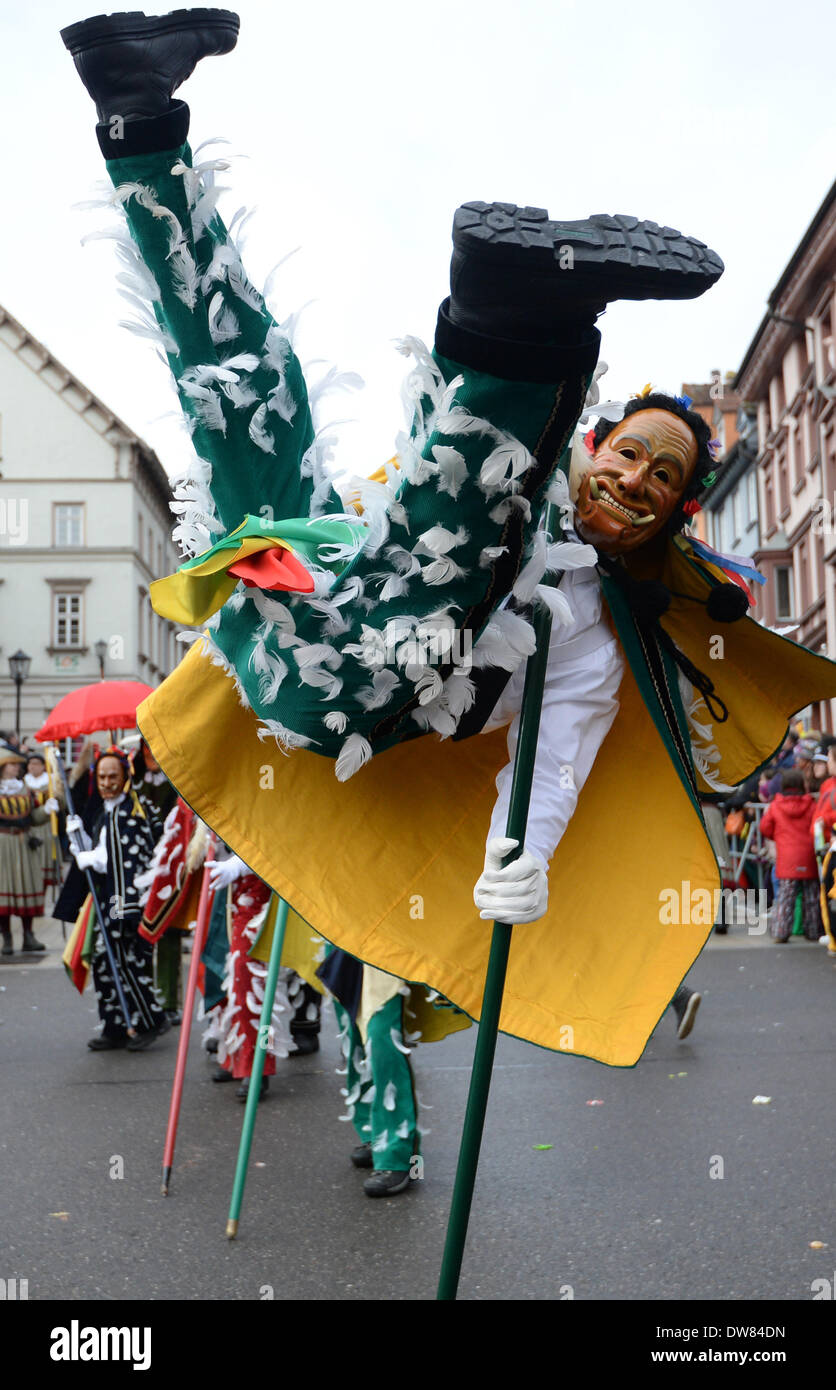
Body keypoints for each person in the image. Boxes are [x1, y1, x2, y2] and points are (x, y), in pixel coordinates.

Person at [60, 9, 836, 1072]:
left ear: (669, 518)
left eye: (662, 481)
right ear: (594, 443)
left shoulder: (598, 635)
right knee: (318, 549)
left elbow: (551, 757)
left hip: (332, 607)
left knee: (244, 407)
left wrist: (520, 853)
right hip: (350, 623)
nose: (634, 482)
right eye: (629, 455)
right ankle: (506, 326)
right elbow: (435, 509)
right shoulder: (538, 499)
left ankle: (137, 116)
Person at [66, 748, 171, 1049]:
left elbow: (122, 859)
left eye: (113, 776)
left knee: (128, 963)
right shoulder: (106, 811)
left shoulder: (132, 812)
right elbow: (99, 851)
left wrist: (91, 857)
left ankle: (152, 1020)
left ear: (125, 776)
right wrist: (78, 839)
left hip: (128, 904)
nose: (107, 782)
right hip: (109, 901)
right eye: (102, 777)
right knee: (104, 962)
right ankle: (114, 1024)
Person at [0, 748, 58, 953]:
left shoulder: (24, 788)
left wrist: (45, 810)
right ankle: (6, 938)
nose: (17, 767)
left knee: (27, 887)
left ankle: (28, 935)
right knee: (3, 891)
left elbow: (33, 818)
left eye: (17, 764)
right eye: (12, 764)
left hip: (24, 842)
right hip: (3, 845)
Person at [759, 769, 820, 943]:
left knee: (786, 898)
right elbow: (817, 826)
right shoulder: (811, 804)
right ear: (802, 784)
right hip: (808, 857)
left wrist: (778, 837)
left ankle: (780, 932)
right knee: (811, 897)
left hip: (786, 858)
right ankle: (813, 931)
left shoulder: (776, 806)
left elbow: (765, 828)